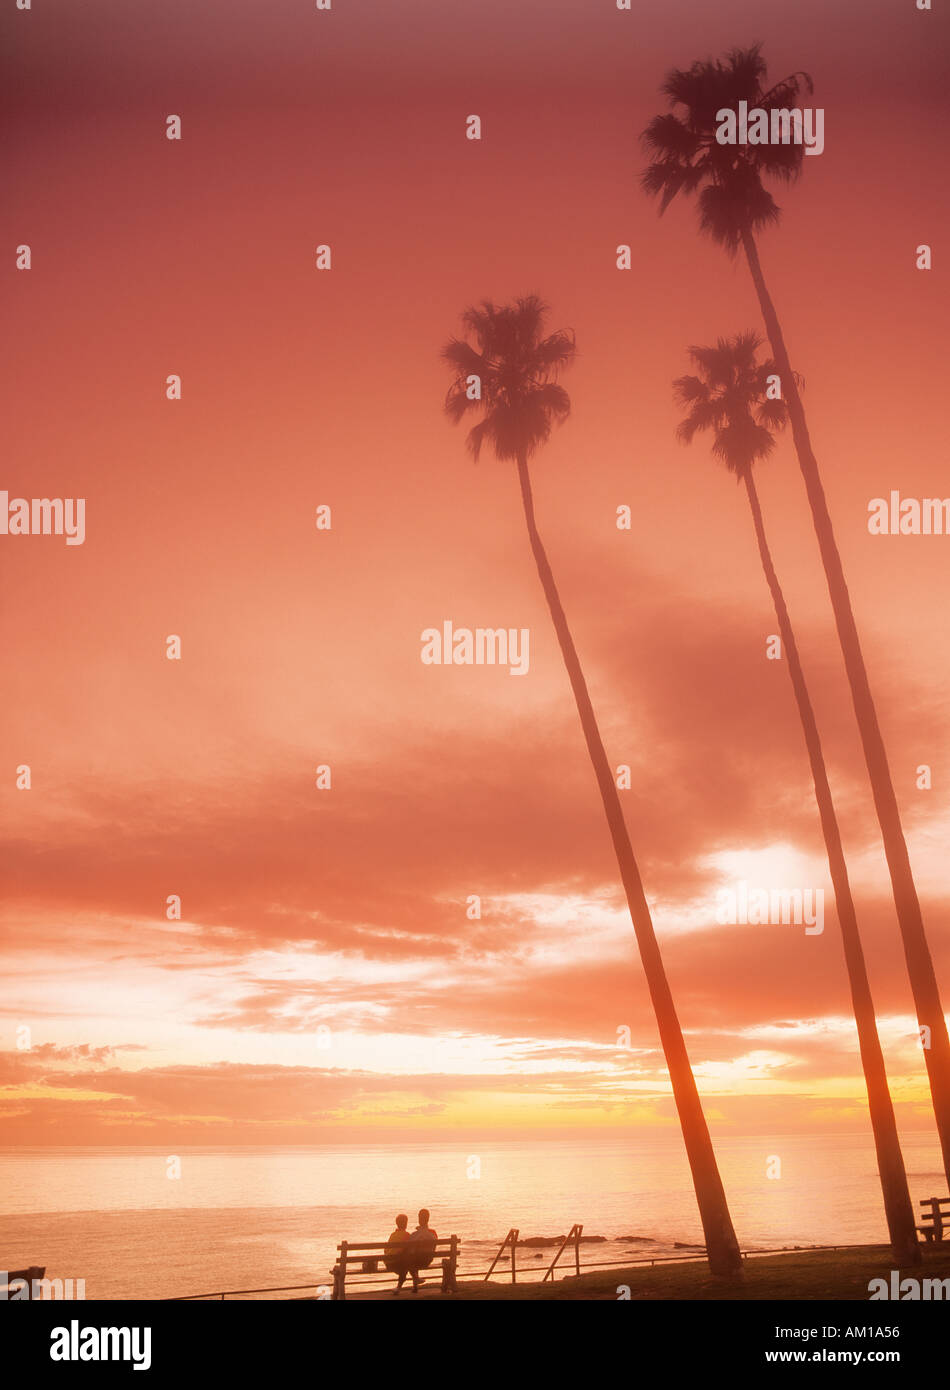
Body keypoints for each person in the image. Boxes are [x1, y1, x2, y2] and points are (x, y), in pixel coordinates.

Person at [406, 1208, 438, 1293]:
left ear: (419, 1219)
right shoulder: (433, 1233)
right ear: (428, 1219)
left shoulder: (414, 1235)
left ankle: (415, 1282)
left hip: (416, 1261)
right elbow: (434, 1248)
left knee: (409, 1259)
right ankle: (416, 1281)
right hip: (428, 1260)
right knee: (413, 1258)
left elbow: (410, 1250)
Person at [384, 1213, 412, 1295]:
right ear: (406, 1224)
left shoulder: (392, 1235)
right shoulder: (407, 1235)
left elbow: (386, 1250)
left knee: (406, 1262)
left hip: (388, 1263)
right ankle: (400, 1287)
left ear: (397, 1224)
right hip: (397, 1264)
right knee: (408, 1261)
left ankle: (400, 1287)